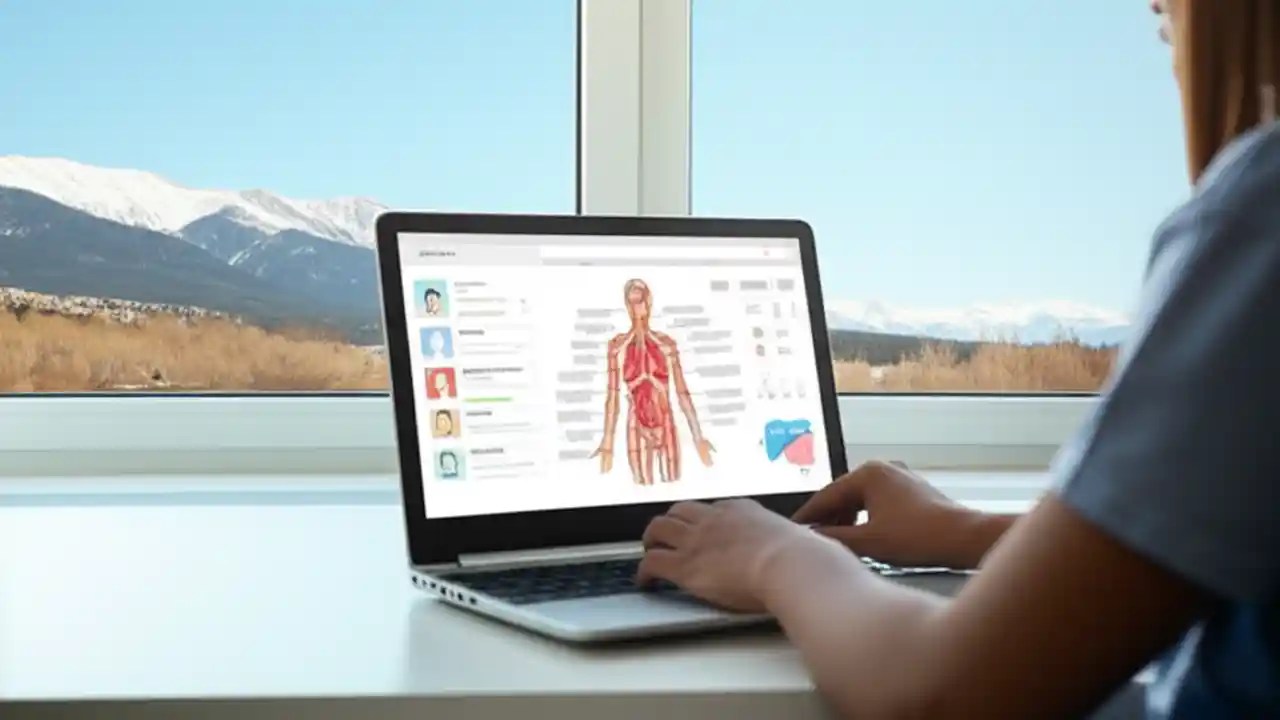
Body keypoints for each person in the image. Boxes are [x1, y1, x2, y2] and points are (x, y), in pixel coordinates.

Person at [636, 1, 1280, 717]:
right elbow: (1224, 524)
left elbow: (937, 696)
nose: (1154, 5)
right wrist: (966, 533)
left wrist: (776, 556)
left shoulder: (1265, 220)